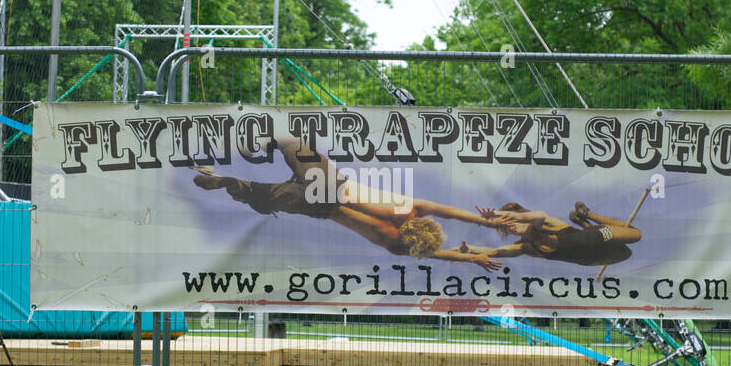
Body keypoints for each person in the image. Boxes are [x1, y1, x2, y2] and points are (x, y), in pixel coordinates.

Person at [191, 136, 509, 269]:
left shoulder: (411, 209)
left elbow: (451, 212)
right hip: (318, 207)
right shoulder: (396, 245)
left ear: (423, 224)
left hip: (331, 186)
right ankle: (234, 184)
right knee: (261, 196)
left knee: (292, 143)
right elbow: (437, 254)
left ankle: (265, 144)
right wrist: (471, 258)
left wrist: (487, 221)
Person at [469, 200, 642, 267]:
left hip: (596, 236)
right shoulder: (526, 247)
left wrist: (497, 215)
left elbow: (525, 215)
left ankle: (587, 214)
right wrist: (466, 250)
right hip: (592, 258)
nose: (510, 227)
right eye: (506, 228)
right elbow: (495, 252)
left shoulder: (542, 222)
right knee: (627, 252)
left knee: (636, 234)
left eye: (511, 222)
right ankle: (583, 222)